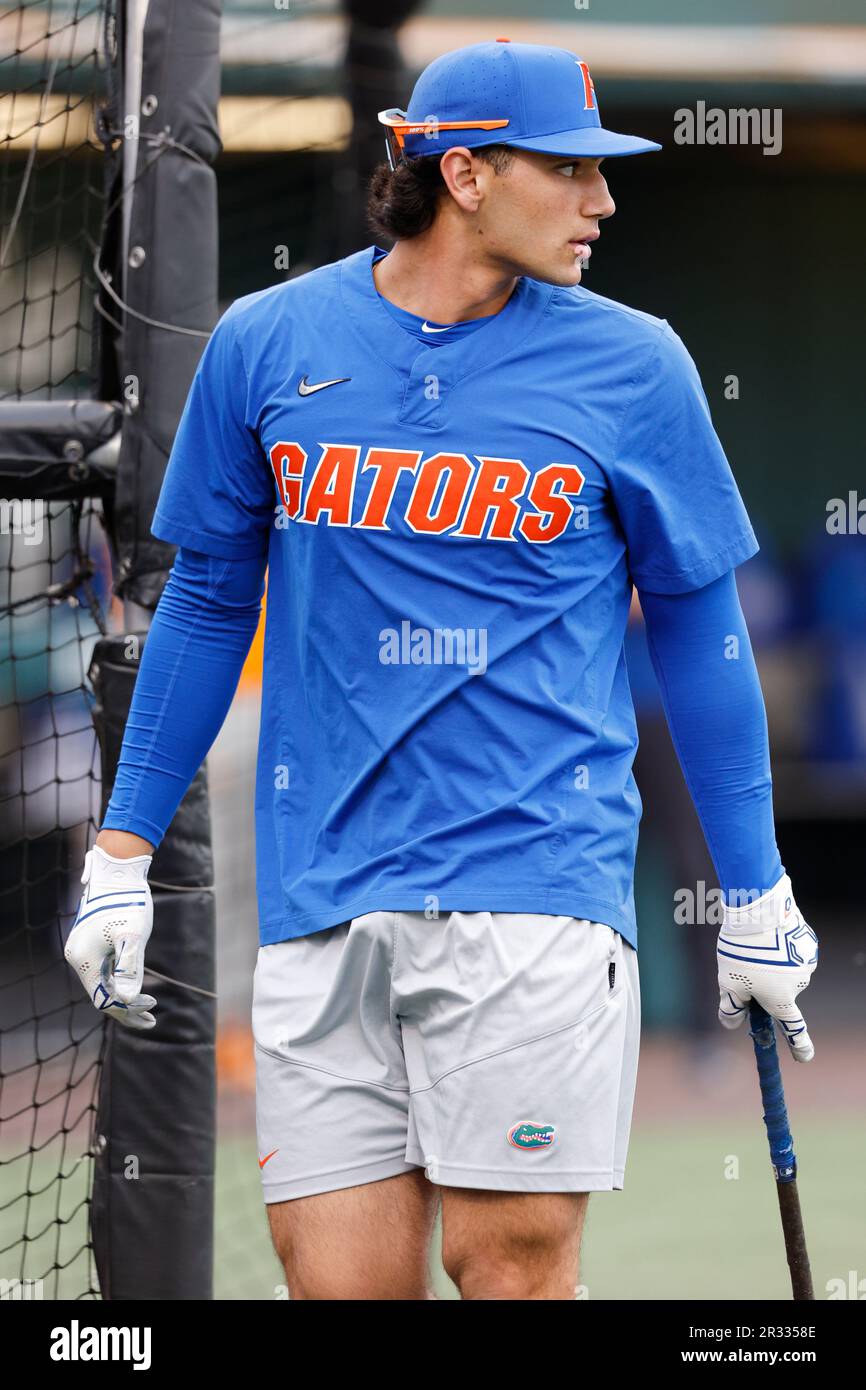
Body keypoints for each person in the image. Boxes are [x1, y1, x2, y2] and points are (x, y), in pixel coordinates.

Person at [65, 40, 818, 1301]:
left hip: (535, 888)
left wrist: (752, 888)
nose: (602, 202)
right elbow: (204, 600)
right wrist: (121, 849)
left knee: (508, 1269)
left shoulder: (635, 365)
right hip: (326, 897)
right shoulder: (267, 341)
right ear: (462, 172)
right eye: (571, 170)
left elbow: (700, 626)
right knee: (340, 1285)